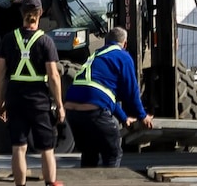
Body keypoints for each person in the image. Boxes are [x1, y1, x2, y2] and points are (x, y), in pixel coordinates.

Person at [0, 0, 65, 186]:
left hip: (15, 96)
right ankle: (50, 183)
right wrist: (59, 105)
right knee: (46, 147)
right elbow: (53, 76)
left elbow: (0, 73)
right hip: (38, 99)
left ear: (22, 14)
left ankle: (20, 185)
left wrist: (0, 102)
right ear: (40, 13)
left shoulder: (9, 40)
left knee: (18, 147)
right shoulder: (45, 41)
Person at [63, 24, 150, 169]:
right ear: (125, 43)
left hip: (72, 112)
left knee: (89, 154)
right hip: (94, 112)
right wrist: (142, 116)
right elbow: (131, 91)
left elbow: (104, 94)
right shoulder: (123, 56)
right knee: (112, 152)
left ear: (106, 41)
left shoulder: (95, 56)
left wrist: (123, 118)